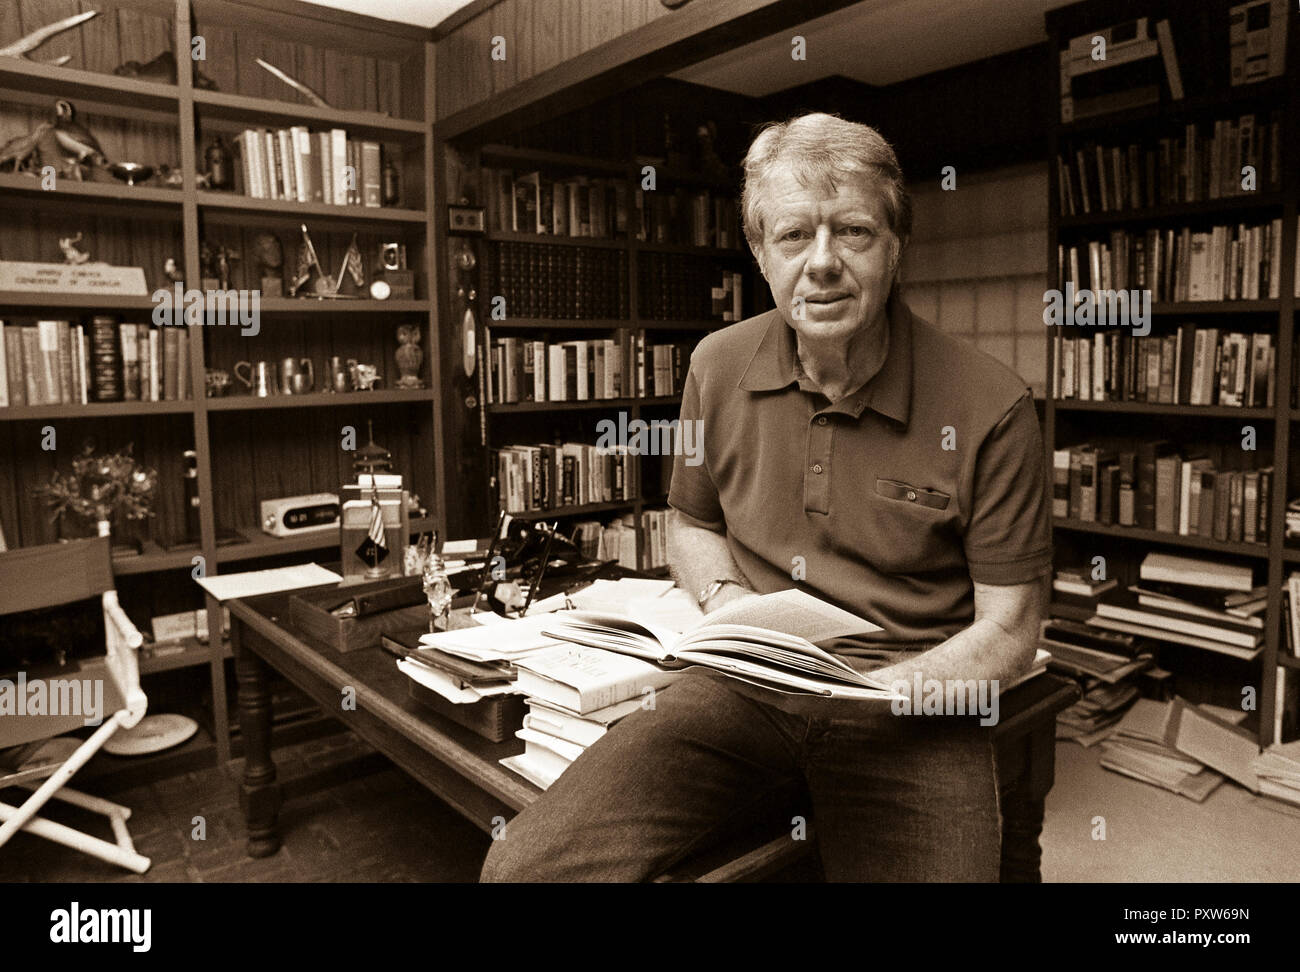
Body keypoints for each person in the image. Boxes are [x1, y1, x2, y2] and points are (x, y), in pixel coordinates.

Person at [481, 113, 1051, 882]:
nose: (822, 264)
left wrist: (874, 695)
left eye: (852, 231)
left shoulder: (994, 403)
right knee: (524, 871)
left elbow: (1011, 629)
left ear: (895, 244)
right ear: (758, 252)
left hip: (911, 699)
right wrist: (724, 607)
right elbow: (690, 520)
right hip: (746, 681)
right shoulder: (715, 365)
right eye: (792, 237)